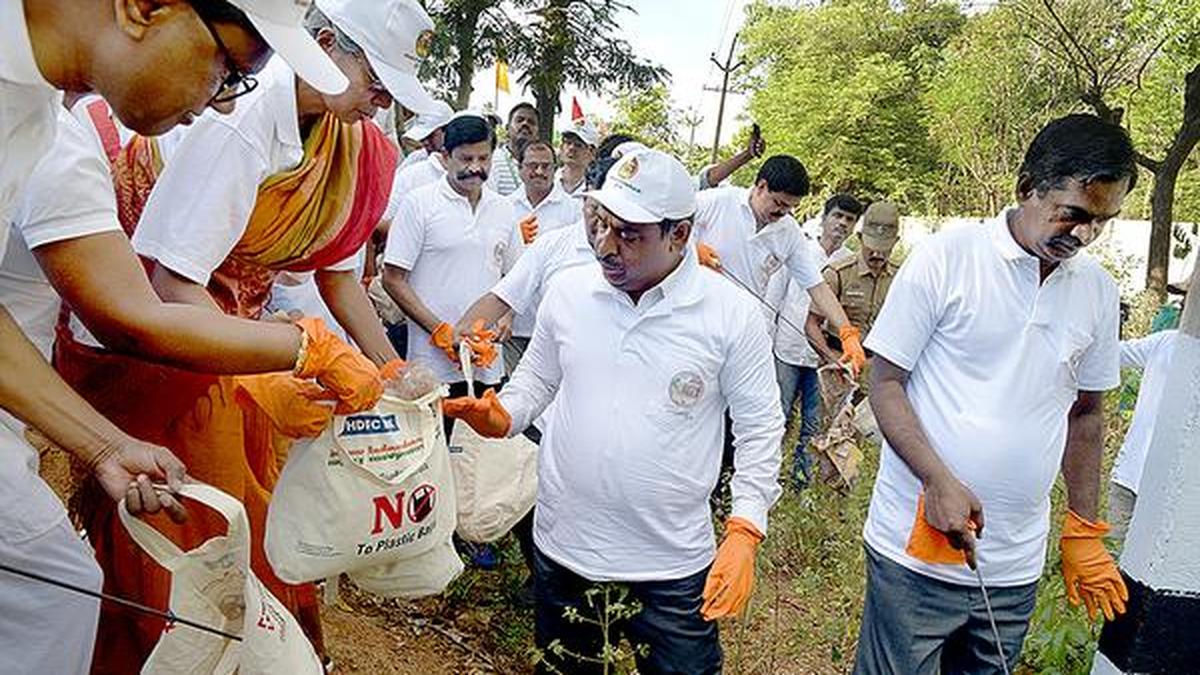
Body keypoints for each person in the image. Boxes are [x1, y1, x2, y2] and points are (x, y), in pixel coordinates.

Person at [57, 2, 440, 670]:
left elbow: (339, 278)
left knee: (266, 526)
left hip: (248, 340)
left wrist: (391, 373)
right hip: (178, 349)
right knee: (197, 536)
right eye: (374, 84)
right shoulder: (244, 119)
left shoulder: (346, 141)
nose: (379, 107)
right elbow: (172, 282)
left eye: (389, 95)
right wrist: (270, 368)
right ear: (324, 45)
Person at [0, 2, 346, 673]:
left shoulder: (48, 126)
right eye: (227, 69)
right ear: (142, 9)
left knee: (57, 591)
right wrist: (309, 350)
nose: (219, 105)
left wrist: (104, 444)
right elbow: (132, 314)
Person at [444, 146, 783, 674]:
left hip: (670, 566)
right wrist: (503, 416)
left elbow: (761, 428)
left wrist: (744, 529)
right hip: (567, 551)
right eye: (602, 226)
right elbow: (537, 378)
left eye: (630, 235)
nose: (606, 246)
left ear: (679, 235)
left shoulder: (729, 315)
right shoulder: (570, 292)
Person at [853, 114, 1136, 674]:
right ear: (1026, 187)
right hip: (917, 555)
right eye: (1073, 214)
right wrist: (937, 479)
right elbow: (885, 384)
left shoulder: (1098, 291)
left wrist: (1083, 526)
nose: (1083, 236)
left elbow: (1086, 416)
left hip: (1012, 567)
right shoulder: (948, 259)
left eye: (1102, 222)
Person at [383, 112, 521, 435]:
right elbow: (393, 278)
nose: (476, 166)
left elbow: (514, 281)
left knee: (484, 465)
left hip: (486, 366)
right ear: (445, 158)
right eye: (466, 158)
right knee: (431, 457)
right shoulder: (419, 204)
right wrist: (440, 331)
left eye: (483, 157)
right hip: (431, 367)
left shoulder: (503, 209)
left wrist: (505, 319)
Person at [693, 155, 867, 378]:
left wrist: (847, 332)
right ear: (761, 186)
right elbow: (665, 226)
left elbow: (817, 286)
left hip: (738, 329)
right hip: (695, 316)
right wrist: (691, 249)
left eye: (790, 207)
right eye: (779, 203)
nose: (782, 213)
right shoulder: (717, 201)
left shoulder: (788, 232)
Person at [771, 194, 863, 490]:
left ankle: (801, 483)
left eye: (849, 220)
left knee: (813, 424)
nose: (842, 224)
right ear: (824, 218)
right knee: (777, 417)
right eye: (837, 216)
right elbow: (775, 296)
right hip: (786, 349)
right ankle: (767, 479)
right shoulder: (800, 250)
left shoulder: (846, 262)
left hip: (825, 360)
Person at [1107, 277, 1188, 546]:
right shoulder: (1165, 343)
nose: (1185, 305)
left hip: (1179, 493)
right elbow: (1112, 355)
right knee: (1112, 561)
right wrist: (1110, 321)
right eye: (1185, 300)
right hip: (1130, 477)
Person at [505, 139, 584, 375]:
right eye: (532, 165)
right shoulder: (504, 207)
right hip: (511, 326)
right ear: (519, 168)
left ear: (555, 168)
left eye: (546, 166)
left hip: (555, 325)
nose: (539, 171)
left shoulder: (573, 210)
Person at [807, 200, 901, 365]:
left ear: (895, 242)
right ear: (859, 238)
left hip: (878, 365)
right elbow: (812, 325)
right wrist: (833, 360)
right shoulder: (838, 274)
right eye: (871, 248)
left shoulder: (901, 279)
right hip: (841, 360)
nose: (877, 255)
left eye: (884, 249)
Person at [489, 102, 540, 196]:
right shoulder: (492, 160)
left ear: (537, 133)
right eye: (519, 120)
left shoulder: (542, 166)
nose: (525, 124)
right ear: (507, 128)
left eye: (531, 122)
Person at [399, 100, 454, 171]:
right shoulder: (416, 159)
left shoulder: (463, 159)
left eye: (430, 136)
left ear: (447, 130)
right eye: (422, 138)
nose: (425, 142)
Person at [557, 117, 599, 196]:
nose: (571, 148)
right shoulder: (546, 180)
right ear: (561, 147)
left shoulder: (596, 191)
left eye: (578, 145)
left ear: (592, 153)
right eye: (568, 143)